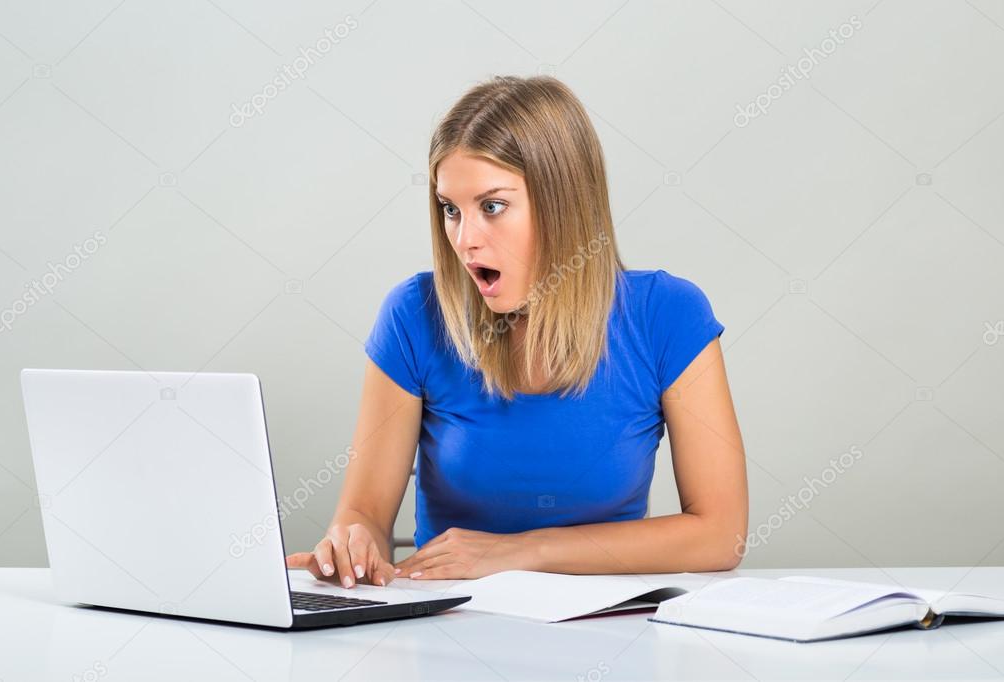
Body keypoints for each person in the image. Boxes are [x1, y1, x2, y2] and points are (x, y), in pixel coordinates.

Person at [287, 75, 747, 589]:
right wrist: (352, 542)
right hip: (447, 629)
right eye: (450, 209)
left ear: (563, 202)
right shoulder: (413, 315)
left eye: (493, 206)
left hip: (608, 631)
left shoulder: (668, 314)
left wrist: (522, 551)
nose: (465, 240)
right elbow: (365, 513)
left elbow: (720, 535)